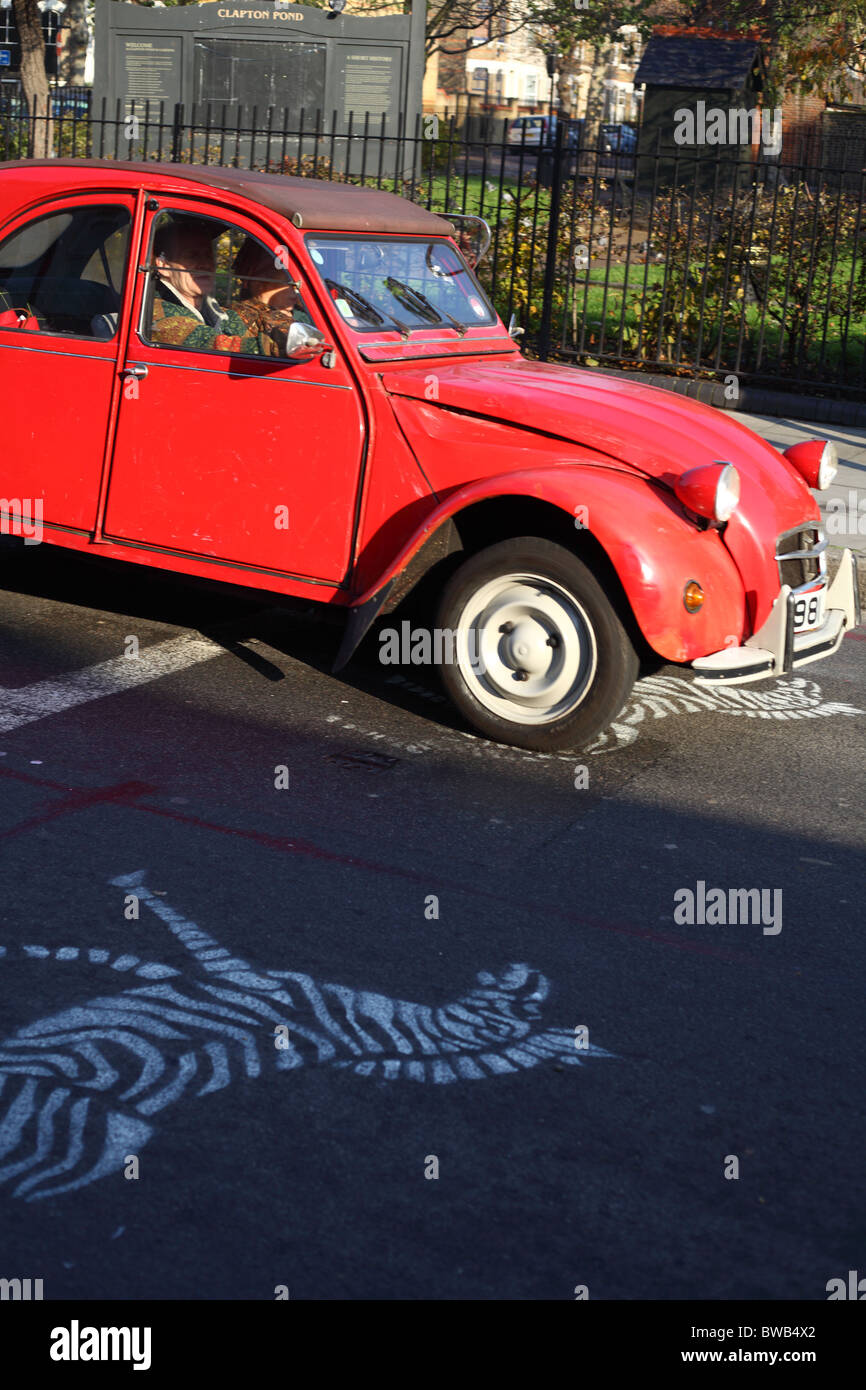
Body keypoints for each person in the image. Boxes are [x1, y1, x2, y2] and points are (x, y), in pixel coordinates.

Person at [148, 218, 260, 354]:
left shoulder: (226, 316)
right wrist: (277, 347)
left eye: (208, 255)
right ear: (163, 266)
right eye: (192, 256)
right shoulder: (156, 313)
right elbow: (216, 348)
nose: (205, 264)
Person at [231, 238, 303, 357]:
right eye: (289, 283)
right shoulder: (241, 316)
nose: (295, 290)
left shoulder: (302, 313)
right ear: (261, 284)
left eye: (297, 285)